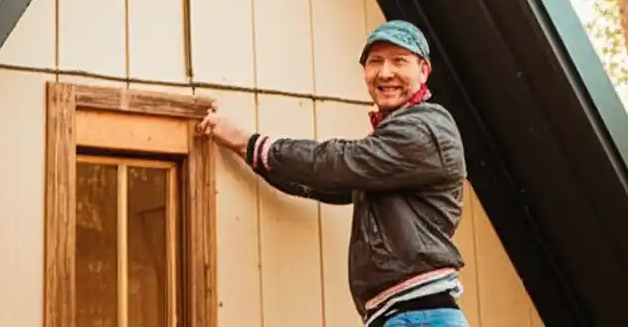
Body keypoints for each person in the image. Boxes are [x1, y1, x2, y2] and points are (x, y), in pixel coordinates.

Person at [198, 20, 468, 327]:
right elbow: (322, 183)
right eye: (375, 61)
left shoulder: (425, 127)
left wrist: (251, 142)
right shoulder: (391, 154)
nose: (385, 73)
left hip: (418, 316)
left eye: (398, 61)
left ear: (424, 71)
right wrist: (245, 149)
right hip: (406, 314)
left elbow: (336, 163)